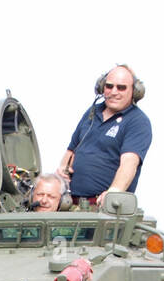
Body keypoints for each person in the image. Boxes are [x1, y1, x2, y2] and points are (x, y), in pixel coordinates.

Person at [57, 64, 152, 205]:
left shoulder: (138, 121)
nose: (113, 92)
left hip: (102, 208)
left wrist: (114, 192)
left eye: (121, 87)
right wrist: (62, 170)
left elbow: (129, 163)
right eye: (109, 86)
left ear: (134, 91)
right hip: (71, 203)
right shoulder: (92, 112)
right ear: (102, 87)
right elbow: (72, 149)